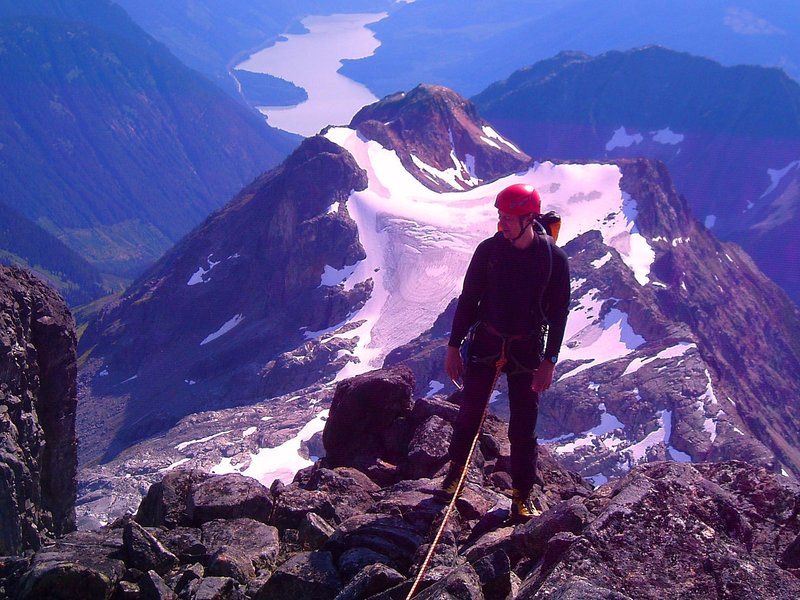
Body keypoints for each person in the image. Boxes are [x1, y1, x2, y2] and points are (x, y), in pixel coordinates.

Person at [443, 183, 570, 519]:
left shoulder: (553, 259)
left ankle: (521, 495)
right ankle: (454, 475)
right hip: (487, 340)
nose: (502, 224)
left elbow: (559, 314)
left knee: (523, 426)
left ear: (530, 219)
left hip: (527, 348)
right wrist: (453, 347)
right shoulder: (489, 251)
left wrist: (550, 360)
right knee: (470, 411)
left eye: (510, 218)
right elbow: (468, 301)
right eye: (500, 216)